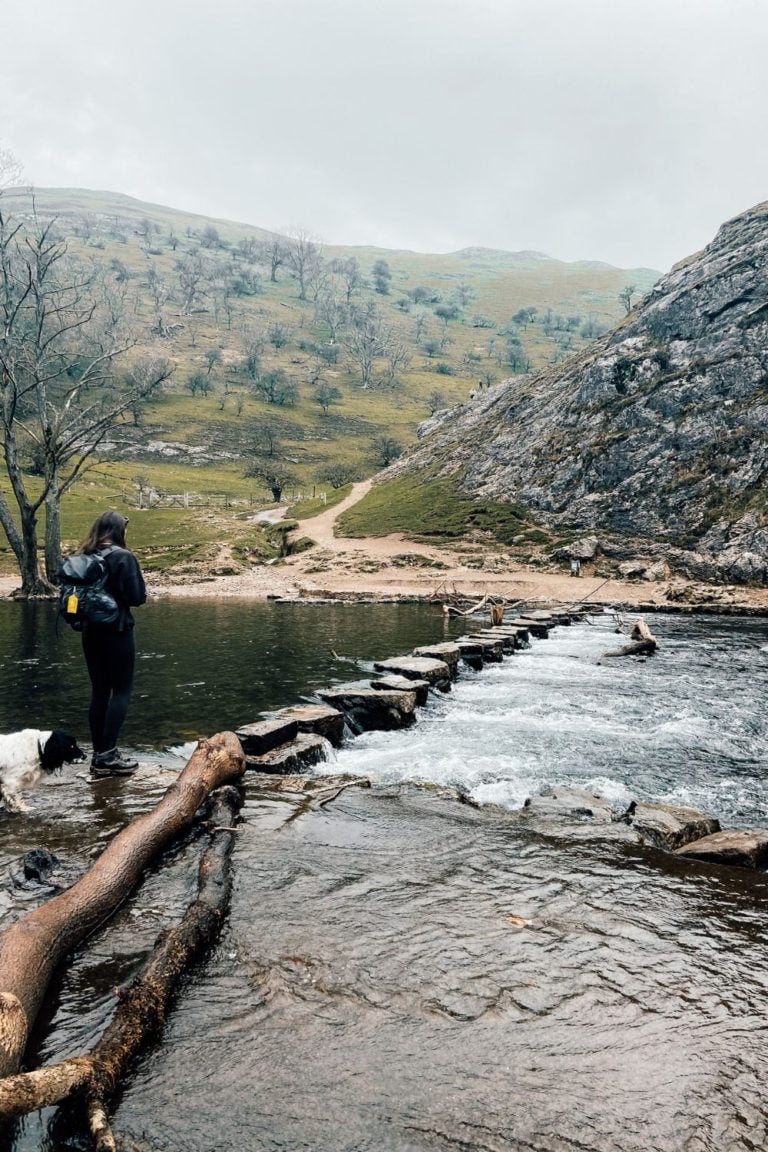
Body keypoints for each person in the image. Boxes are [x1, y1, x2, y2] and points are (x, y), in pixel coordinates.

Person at [79, 510, 146, 777]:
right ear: (119, 530)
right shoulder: (123, 556)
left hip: (89, 632)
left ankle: (99, 754)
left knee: (99, 692)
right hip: (117, 631)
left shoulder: (86, 555)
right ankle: (107, 757)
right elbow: (137, 597)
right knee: (121, 691)